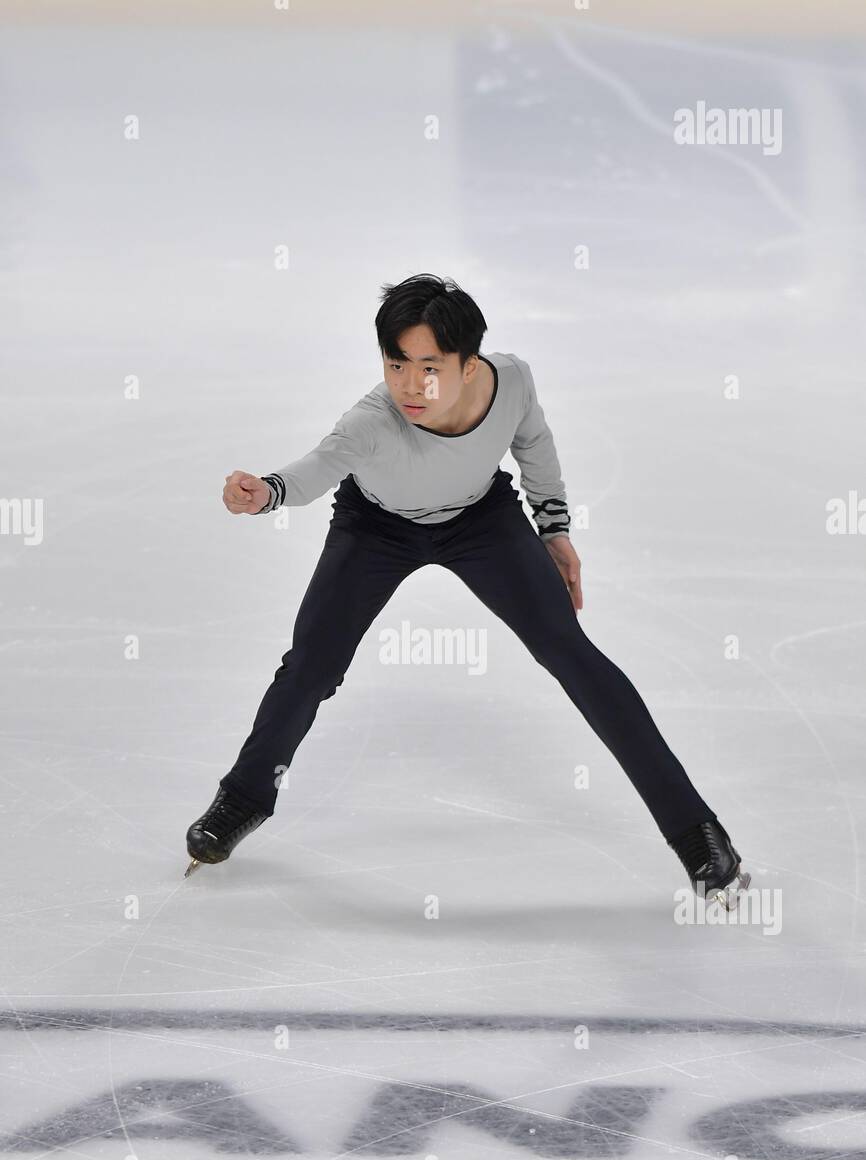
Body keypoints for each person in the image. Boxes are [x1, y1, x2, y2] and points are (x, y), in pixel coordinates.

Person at [185, 273, 750, 908]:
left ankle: (694, 830)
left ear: (469, 363)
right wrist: (266, 493)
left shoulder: (510, 382)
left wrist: (554, 528)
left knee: (573, 654)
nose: (409, 384)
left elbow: (533, 442)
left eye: (430, 366)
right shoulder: (371, 421)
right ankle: (244, 797)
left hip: (482, 522)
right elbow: (317, 467)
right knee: (311, 666)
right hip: (376, 530)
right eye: (396, 364)